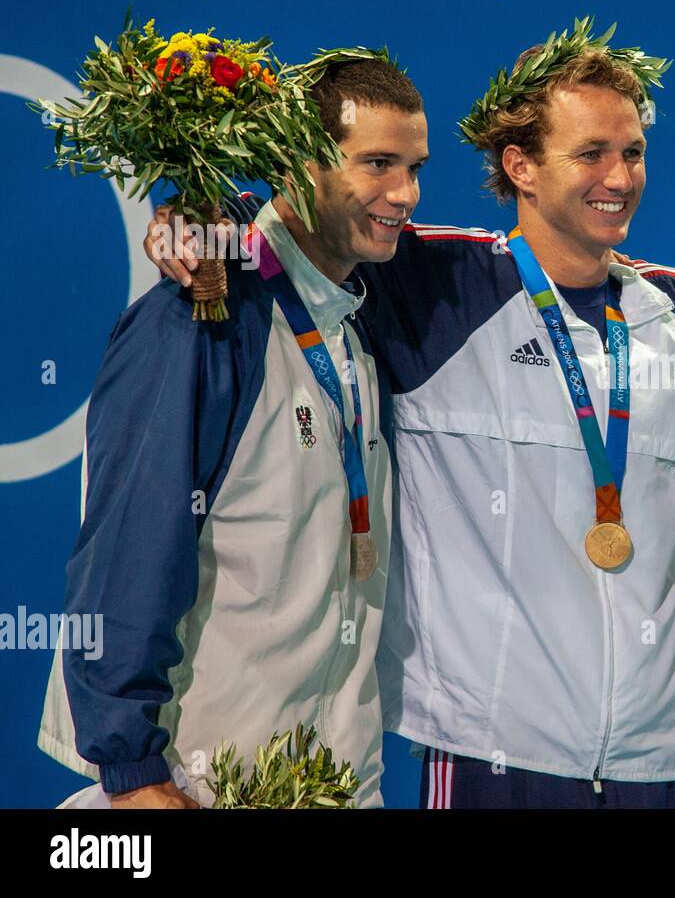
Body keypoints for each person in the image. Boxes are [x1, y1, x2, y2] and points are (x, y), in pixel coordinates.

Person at [149, 22, 675, 808]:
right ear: (521, 166)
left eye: (633, 151)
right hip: (491, 756)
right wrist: (201, 225)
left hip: (667, 760)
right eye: (591, 153)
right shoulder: (432, 286)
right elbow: (302, 242)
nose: (620, 177)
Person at [38, 57, 427, 808]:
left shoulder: (364, 310)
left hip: (338, 782)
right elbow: (128, 544)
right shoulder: (199, 318)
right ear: (296, 160)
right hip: (197, 784)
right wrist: (131, 770)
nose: (404, 194)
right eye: (377, 164)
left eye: (414, 167)